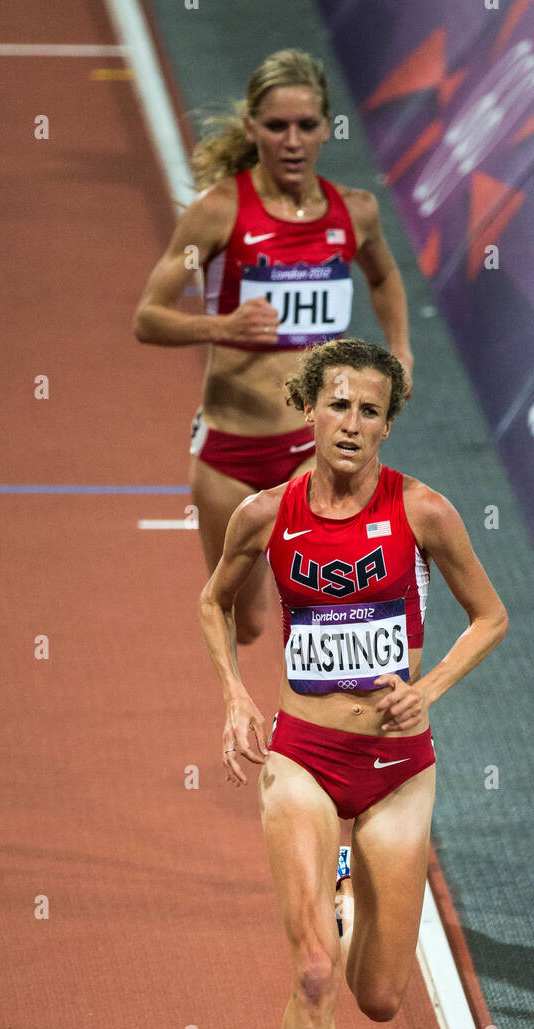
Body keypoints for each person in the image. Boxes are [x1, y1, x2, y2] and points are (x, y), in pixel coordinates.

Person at [199, 337, 508, 1029]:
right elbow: (215, 602)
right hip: (301, 756)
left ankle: (348, 881)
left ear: (387, 422)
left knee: (378, 995)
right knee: (310, 970)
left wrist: (432, 685)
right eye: (339, 404)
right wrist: (231, 696)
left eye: (371, 410)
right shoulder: (265, 514)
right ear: (309, 407)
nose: (353, 424)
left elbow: (490, 615)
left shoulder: (423, 510)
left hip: (400, 770)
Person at [134, 49, 413, 645]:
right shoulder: (218, 214)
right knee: (251, 622)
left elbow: (385, 277)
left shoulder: (353, 213)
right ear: (251, 129)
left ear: (325, 129)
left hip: (316, 445)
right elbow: (149, 318)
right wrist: (221, 327)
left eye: (307, 126)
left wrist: (402, 350)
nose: (292, 141)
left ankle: (330, 728)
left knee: (339, 602)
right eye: (277, 126)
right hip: (231, 451)